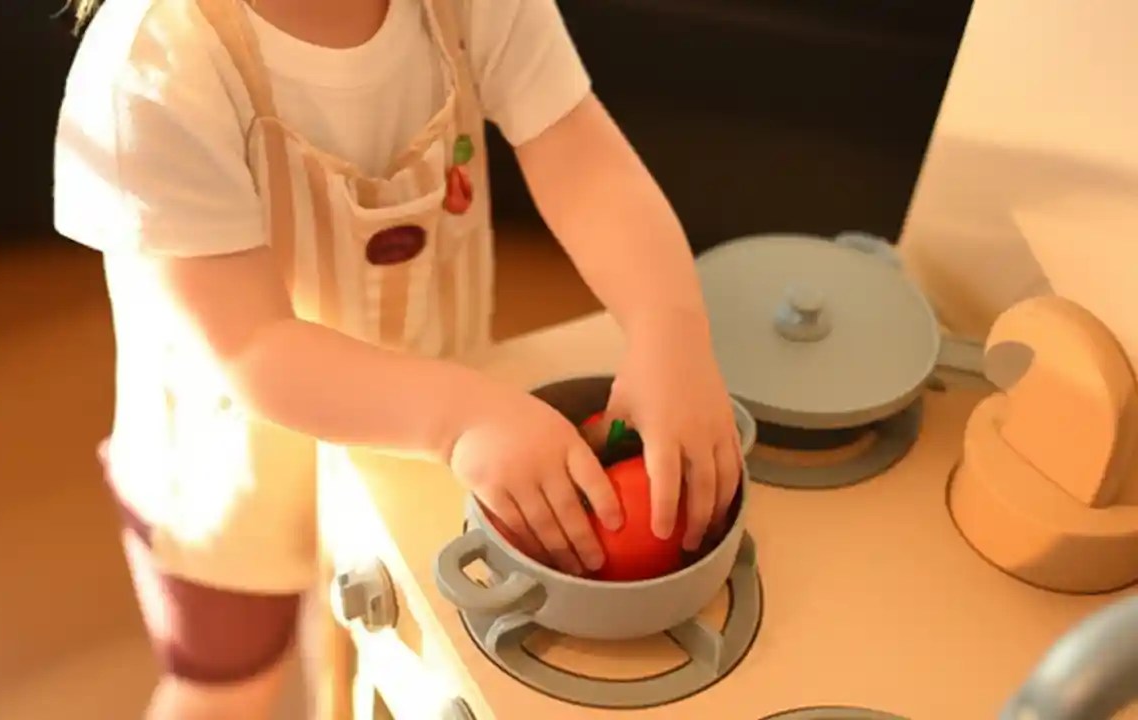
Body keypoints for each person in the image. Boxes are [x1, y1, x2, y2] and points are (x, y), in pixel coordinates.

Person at [53, 0, 743, 716]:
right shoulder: (152, 66)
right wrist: (459, 416)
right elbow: (251, 343)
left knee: (372, 640)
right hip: (235, 464)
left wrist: (670, 327)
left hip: (421, 430)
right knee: (228, 683)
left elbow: (579, 159)